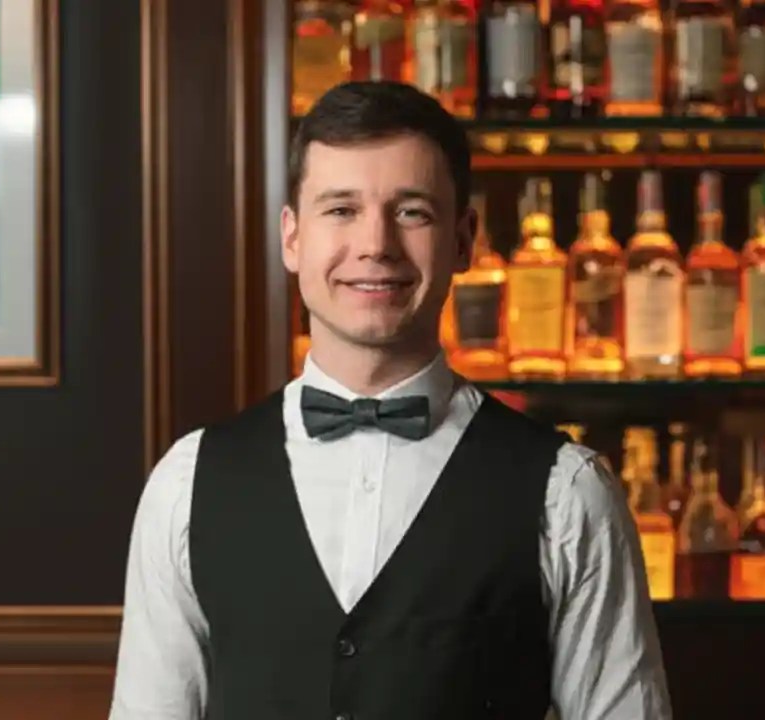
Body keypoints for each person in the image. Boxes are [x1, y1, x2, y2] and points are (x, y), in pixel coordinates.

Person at [108, 81, 671, 720]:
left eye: (411, 212)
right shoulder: (187, 483)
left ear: (464, 240)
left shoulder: (568, 494)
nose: (375, 244)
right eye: (341, 209)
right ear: (292, 237)